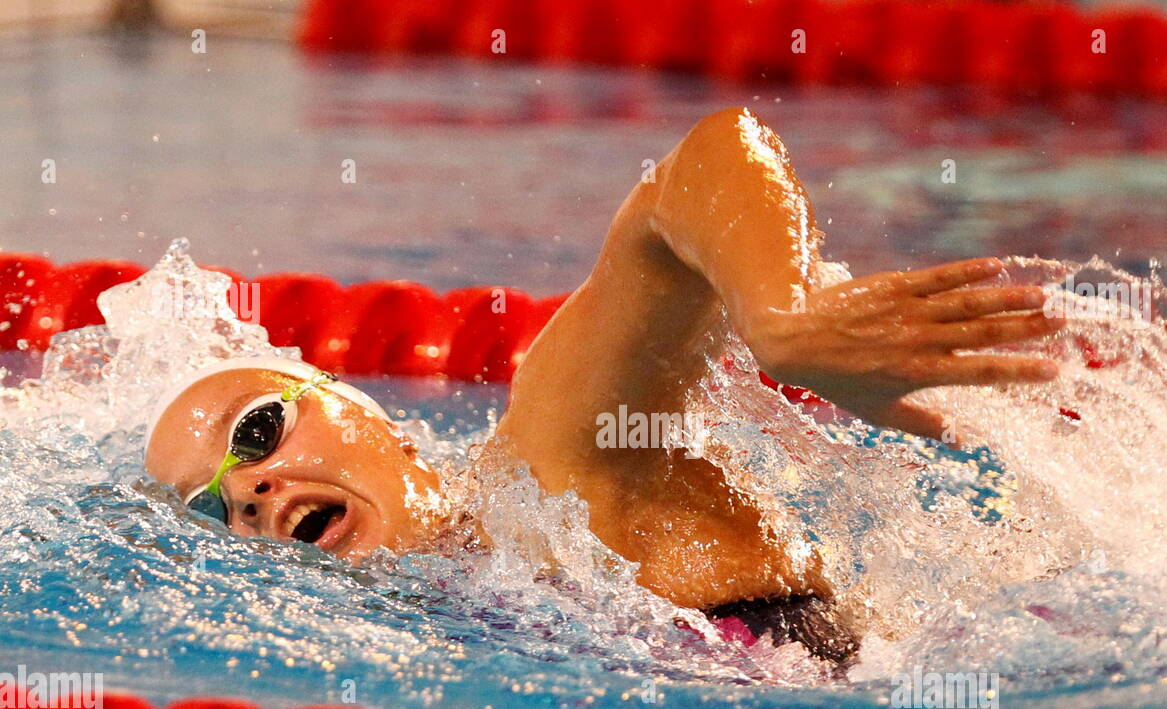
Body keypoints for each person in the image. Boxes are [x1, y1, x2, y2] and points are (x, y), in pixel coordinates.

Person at [144, 107, 1062, 663]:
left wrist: (781, 323)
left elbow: (704, 163)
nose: (249, 489)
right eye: (209, 507)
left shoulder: (548, 463)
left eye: (259, 431)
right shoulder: (453, 595)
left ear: (380, 420)